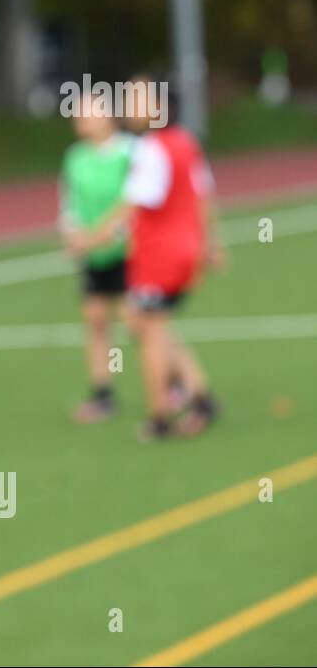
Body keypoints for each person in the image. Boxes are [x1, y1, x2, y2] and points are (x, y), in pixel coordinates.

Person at [71, 79, 225, 440]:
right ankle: (199, 396)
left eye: (137, 100)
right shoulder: (185, 142)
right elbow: (203, 194)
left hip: (160, 257)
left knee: (148, 328)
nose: (129, 106)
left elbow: (133, 204)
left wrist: (92, 238)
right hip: (183, 251)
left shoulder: (152, 149)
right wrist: (210, 243)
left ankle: (160, 416)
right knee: (144, 321)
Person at [58, 90, 136, 422]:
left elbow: (134, 205)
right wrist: (74, 234)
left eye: (88, 113)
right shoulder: (75, 157)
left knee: (139, 324)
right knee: (96, 321)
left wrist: (100, 237)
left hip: (129, 253)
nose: (81, 120)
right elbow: (70, 203)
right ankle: (103, 394)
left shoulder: (130, 152)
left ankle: (176, 384)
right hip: (94, 255)